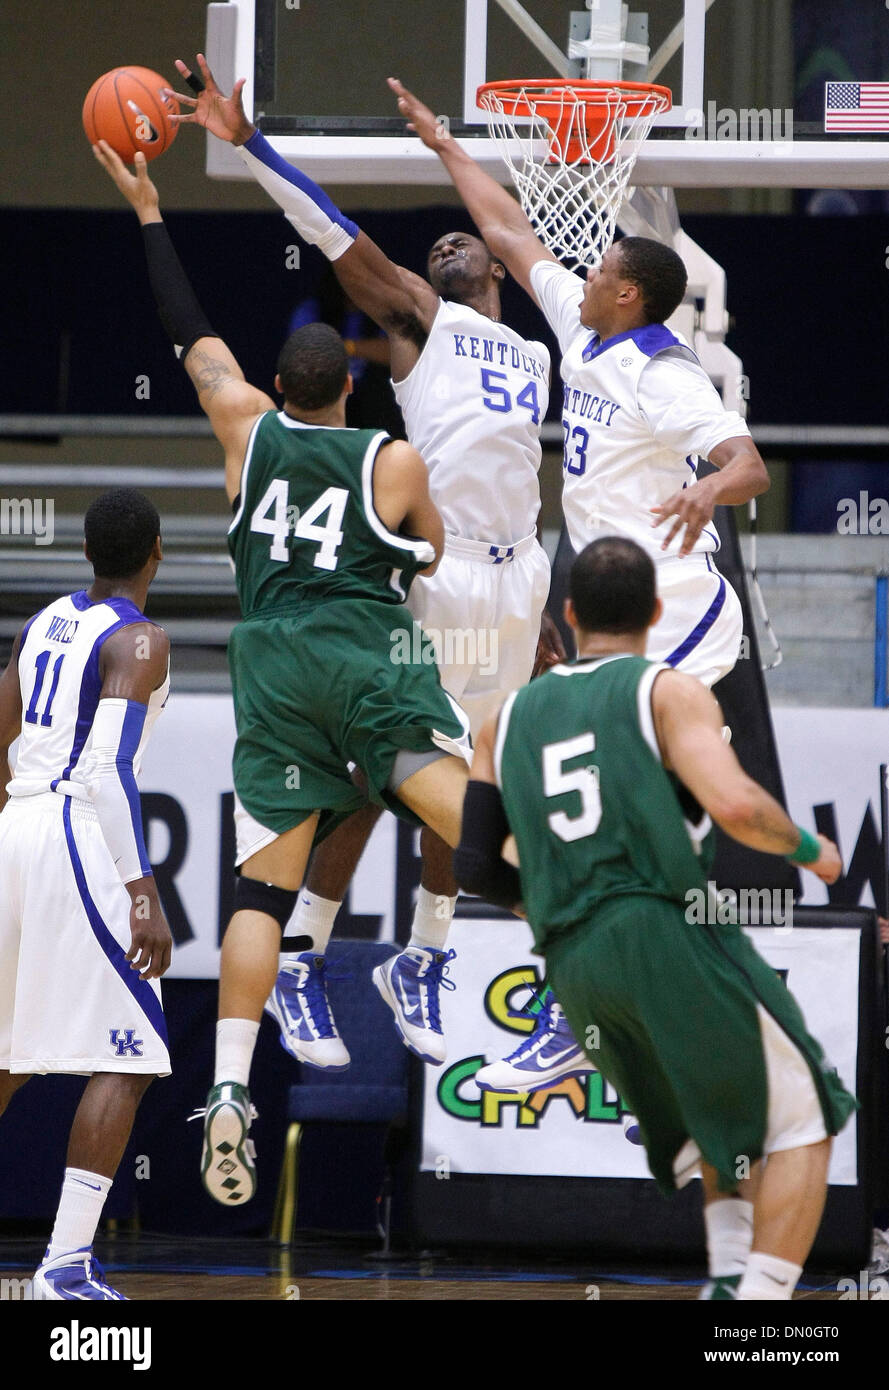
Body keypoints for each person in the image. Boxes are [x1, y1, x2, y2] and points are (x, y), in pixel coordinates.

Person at [163, 53, 561, 1074]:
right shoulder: (423, 320)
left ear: (499, 268)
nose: (447, 241)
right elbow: (334, 233)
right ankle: (303, 949)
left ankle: (424, 954)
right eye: (435, 246)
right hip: (441, 572)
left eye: (463, 237)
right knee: (381, 769)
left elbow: (514, 228)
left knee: (476, 772)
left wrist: (450, 148)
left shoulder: (536, 349)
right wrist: (252, 146)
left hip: (521, 573)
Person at [94, 142, 474, 1204]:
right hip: (363, 656)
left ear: (277, 386)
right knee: (479, 808)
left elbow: (189, 334)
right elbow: (432, 556)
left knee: (258, 891)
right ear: (350, 383)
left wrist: (148, 208)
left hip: (268, 666)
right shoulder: (390, 459)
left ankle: (227, 1088)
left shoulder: (242, 427)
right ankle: (491, 971)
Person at [389, 79, 771, 1096]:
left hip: (679, 607)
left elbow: (747, 463)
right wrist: (443, 145)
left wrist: (707, 491)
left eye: (600, 268)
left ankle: (586, 1006)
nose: (582, 269)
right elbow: (510, 233)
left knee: (604, 784)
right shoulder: (580, 324)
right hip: (613, 607)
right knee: (572, 791)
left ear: (629, 295)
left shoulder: (663, 373)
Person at [454, 536, 856, 1301]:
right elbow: (734, 805)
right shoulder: (668, 691)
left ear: (569, 614)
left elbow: (472, 866)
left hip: (571, 965)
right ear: (656, 612)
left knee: (722, 1123)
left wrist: (563, 908)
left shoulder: (502, 721)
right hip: (659, 929)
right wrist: (813, 852)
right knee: (809, 1113)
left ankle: (727, 1282)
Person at [0, 488, 172, 1300]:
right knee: (129, 1053)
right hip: (73, 831)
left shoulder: (41, 624)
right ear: (158, 553)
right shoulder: (140, 639)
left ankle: (66, 1265)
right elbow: (106, 770)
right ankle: (64, 1265)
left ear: (85, 553)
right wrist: (141, 891)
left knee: (7, 1055)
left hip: (15, 825)